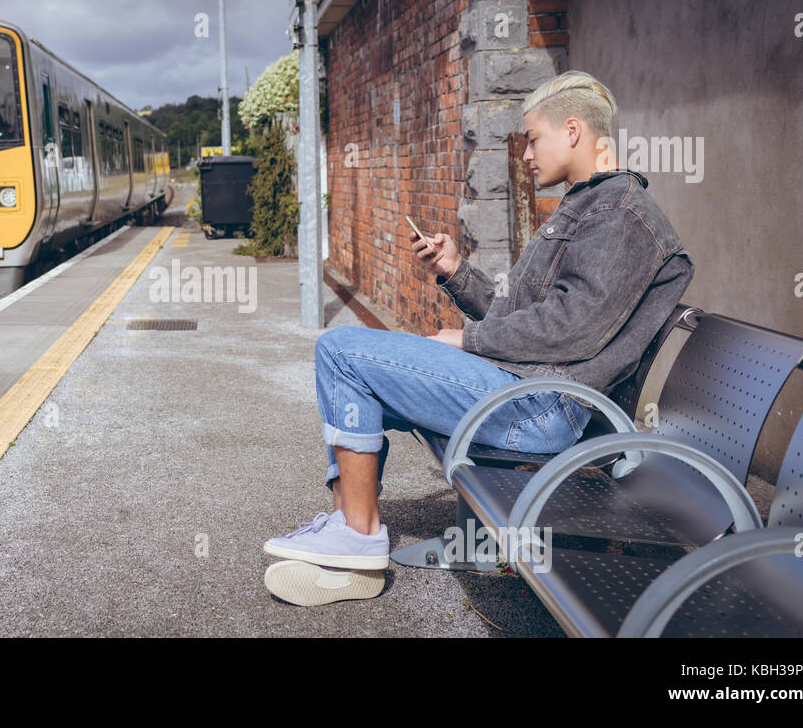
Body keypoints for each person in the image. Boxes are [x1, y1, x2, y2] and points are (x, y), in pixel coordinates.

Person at [263, 70, 694, 607]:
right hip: (523, 386)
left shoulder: (621, 216)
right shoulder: (587, 206)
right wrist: (454, 269)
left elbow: (569, 328)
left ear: (574, 130)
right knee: (351, 360)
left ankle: (357, 531)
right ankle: (354, 530)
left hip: (542, 407)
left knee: (342, 351)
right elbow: (519, 312)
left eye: (533, 138)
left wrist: (466, 341)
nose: (527, 155)